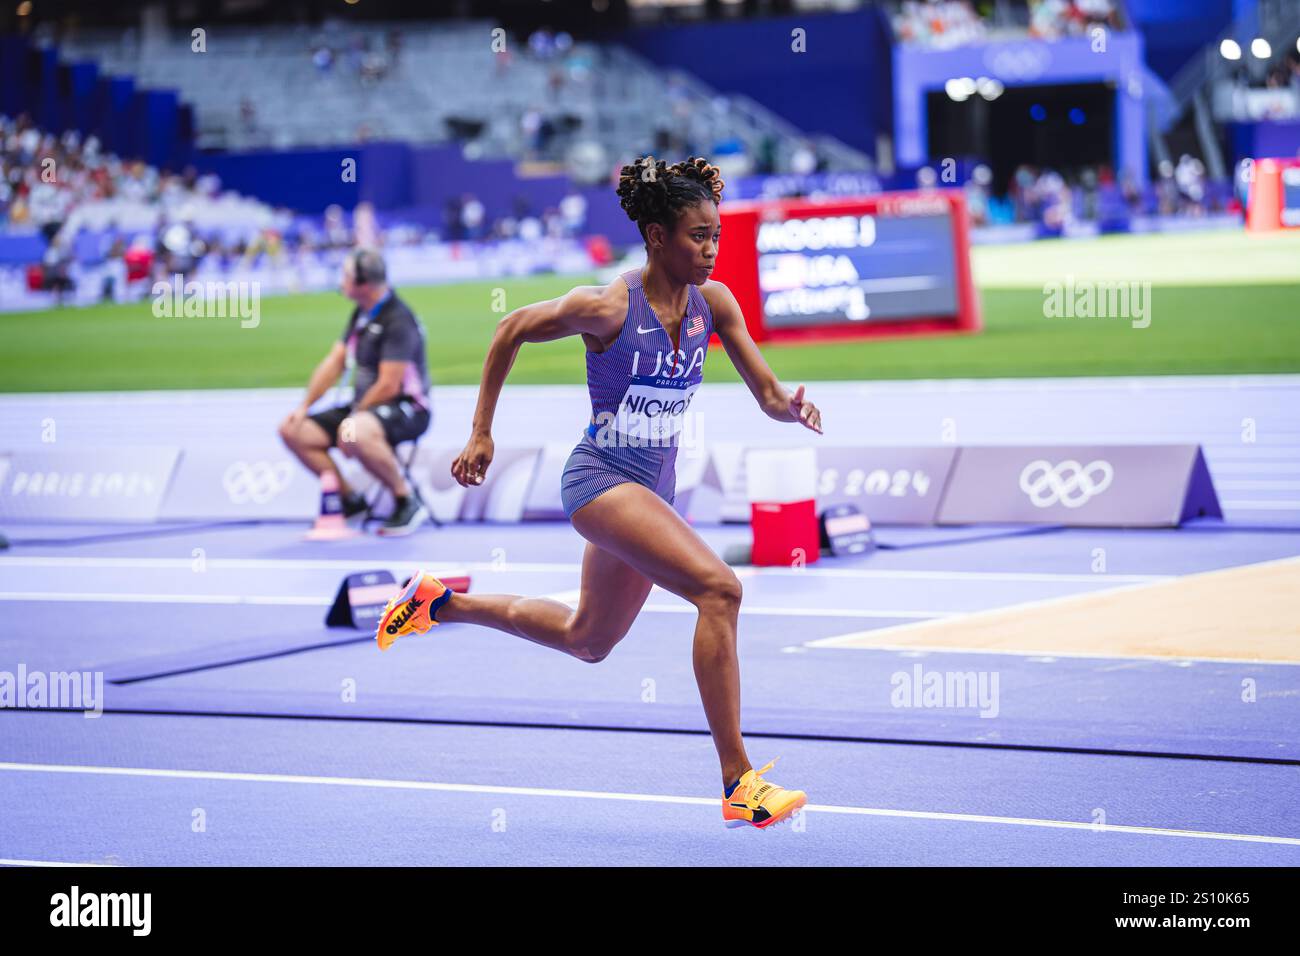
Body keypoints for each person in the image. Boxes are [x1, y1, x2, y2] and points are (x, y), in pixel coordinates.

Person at [376, 156, 822, 829]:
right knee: (720, 590)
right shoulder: (609, 306)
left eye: (716, 236)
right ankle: (739, 782)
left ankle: (443, 603)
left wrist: (787, 405)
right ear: (654, 236)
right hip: (601, 484)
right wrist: (480, 435)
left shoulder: (715, 304)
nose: (709, 249)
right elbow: (510, 329)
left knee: (589, 639)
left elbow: (764, 391)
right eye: (696, 236)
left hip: (653, 496)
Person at [278, 247, 432, 536]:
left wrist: (352, 421)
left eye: (345, 275)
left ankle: (405, 500)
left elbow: (389, 384)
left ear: (363, 282)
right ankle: (350, 500)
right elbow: (334, 362)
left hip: (408, 407)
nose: (341, 281)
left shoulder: (398, 319)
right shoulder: (361, 314)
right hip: (363, 408)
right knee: (293, 430)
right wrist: (304, 407)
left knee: (355, 431)